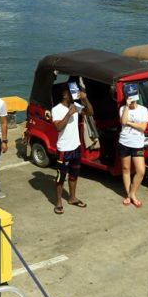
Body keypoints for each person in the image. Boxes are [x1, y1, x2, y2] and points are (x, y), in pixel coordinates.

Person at [51, 83, 93, 214]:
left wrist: (85, 99)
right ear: (65, 94)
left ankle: (72, 198)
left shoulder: (76, 106)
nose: (74, 94)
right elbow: (58, 127)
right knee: (60, 177)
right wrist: (69, 114)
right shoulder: (56, 109)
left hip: (76, 147)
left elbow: (90, 112)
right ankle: (58, 203)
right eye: (71, 92)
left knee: (74, 175)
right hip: (63, 150)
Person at [119, 85, 148, 208]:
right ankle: (128, 195)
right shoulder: (122, 109)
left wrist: (130, 123)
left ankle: (132, 194)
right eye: (129, 94)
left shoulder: (143, 109)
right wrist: (127, 106)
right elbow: (122, 121)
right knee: (126, 169)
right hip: (124, 142)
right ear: (125, 96)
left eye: (133, 94)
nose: (132, 97)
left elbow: (143, 127)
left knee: (141, 171)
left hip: (137, 144)